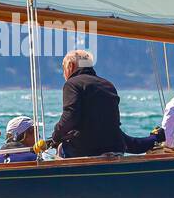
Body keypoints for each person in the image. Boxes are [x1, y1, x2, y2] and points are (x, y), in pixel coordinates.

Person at [33, 49, 162, 158]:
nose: (64, 74)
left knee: (61, 149)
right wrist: (154, 139)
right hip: (116, 148)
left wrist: (56, 137)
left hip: (86, 151)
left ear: (71, 66)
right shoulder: (107, 84)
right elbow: (107, 127)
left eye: (64, 68)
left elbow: (70, 116)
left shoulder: (72, 84)